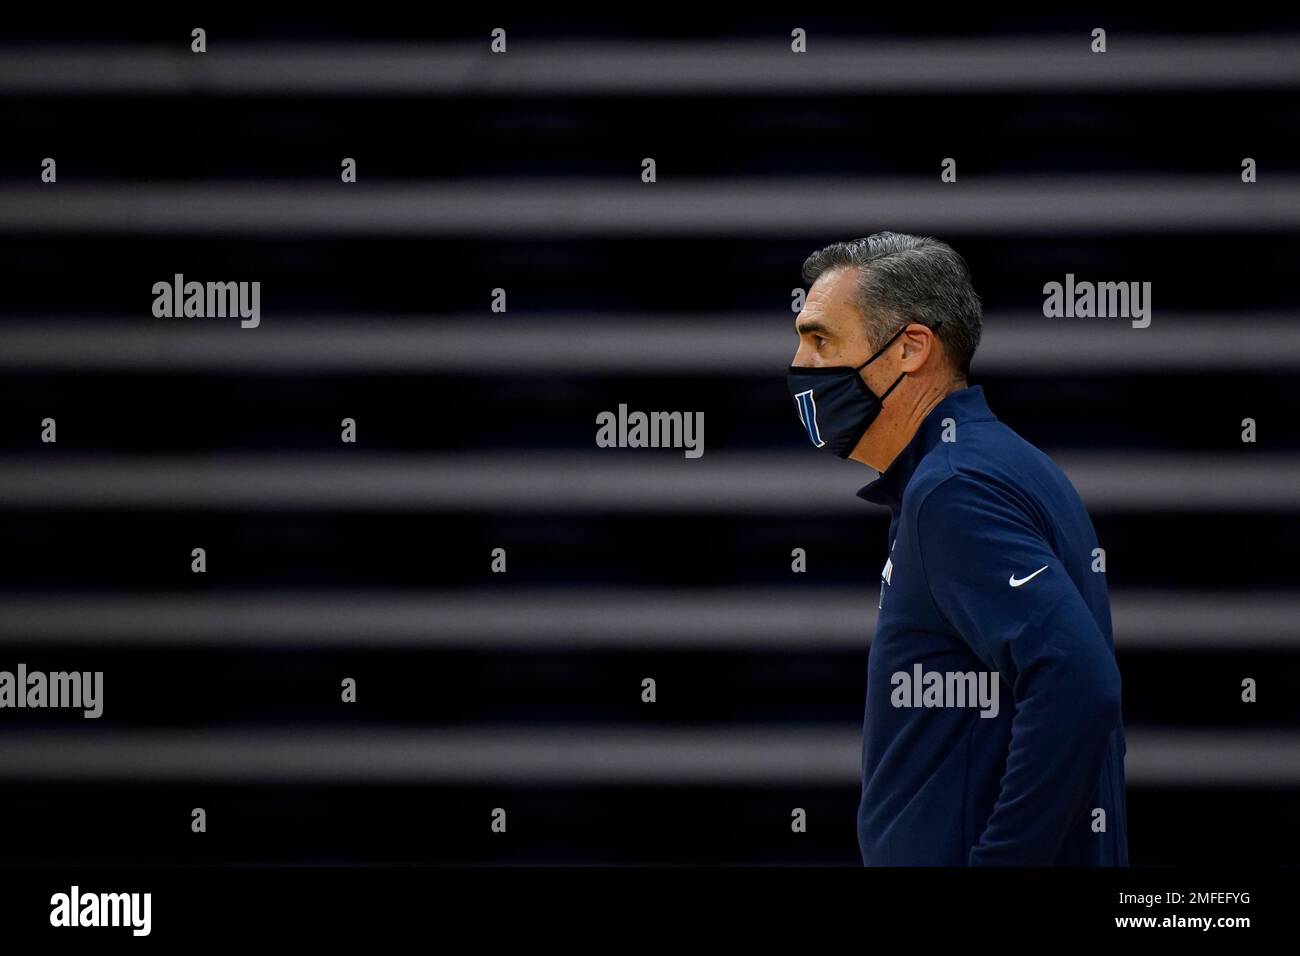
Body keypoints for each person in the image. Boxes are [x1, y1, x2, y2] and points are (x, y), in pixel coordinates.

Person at [787, 232, 1128, 865]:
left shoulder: (954, 488)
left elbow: (1079, 685)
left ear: (911, 348)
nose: (801, 365)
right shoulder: (983, 463)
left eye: (821, 339)